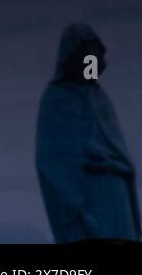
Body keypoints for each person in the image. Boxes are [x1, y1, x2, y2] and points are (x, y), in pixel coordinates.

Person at [35, 23, 140, 243]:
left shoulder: (100, 98)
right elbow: (51, 160)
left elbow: (117, 147)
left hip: (115, 190)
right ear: (71, 58)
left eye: (94, 57)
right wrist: (76, 206)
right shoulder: (56, 98)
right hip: (84, 194)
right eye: (86, 57)